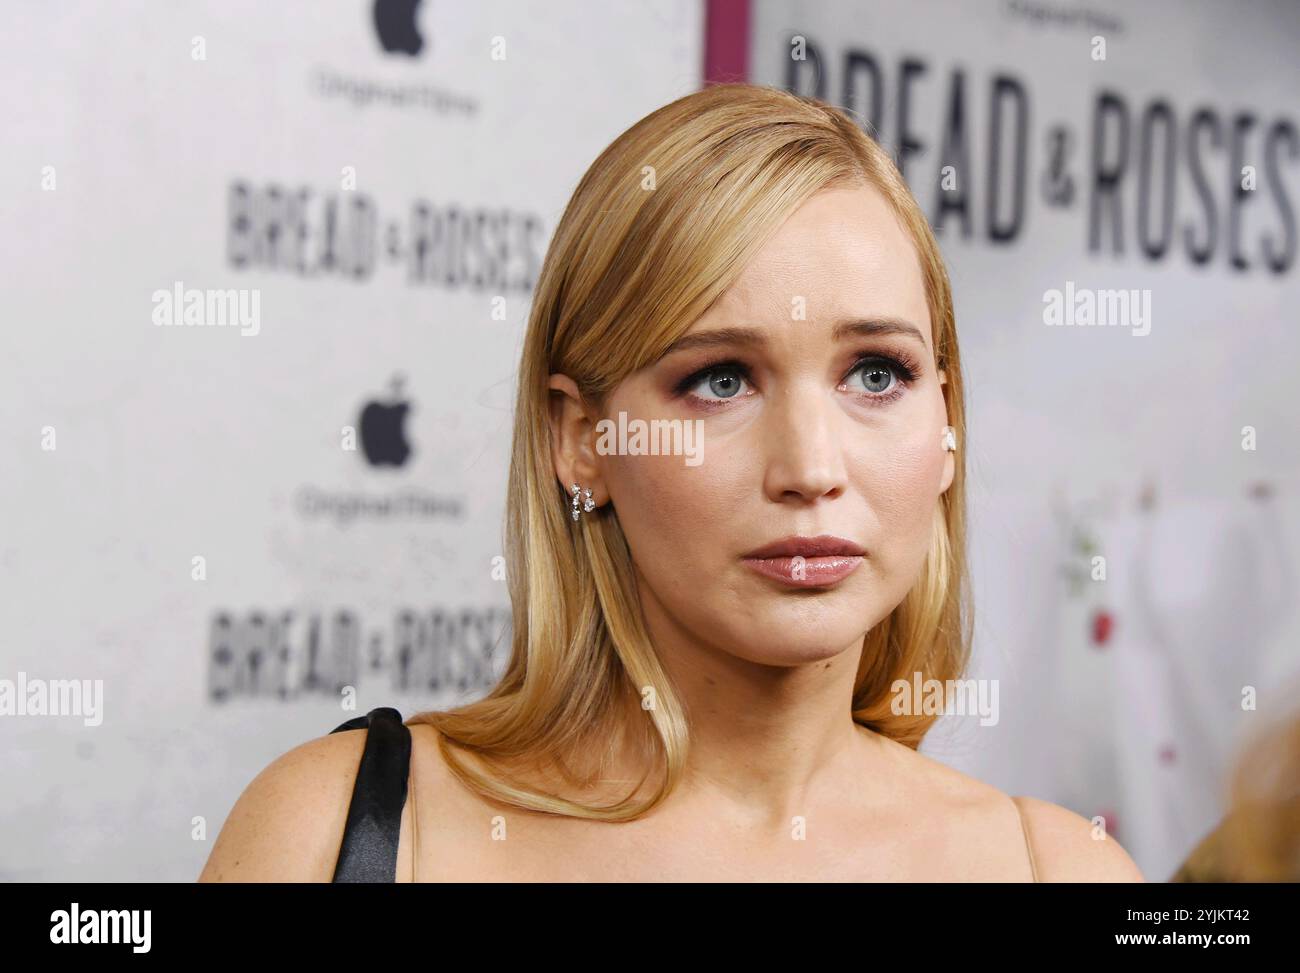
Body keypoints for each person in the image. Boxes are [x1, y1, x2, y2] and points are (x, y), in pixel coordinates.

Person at [199, 82, 1145, 882]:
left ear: (948, 426)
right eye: (720, 380)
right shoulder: (340, 832)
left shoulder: (1063, 869)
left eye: (876, 374)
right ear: (581, 440)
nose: (812, 469)